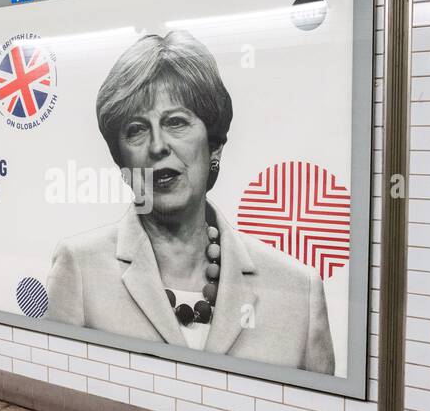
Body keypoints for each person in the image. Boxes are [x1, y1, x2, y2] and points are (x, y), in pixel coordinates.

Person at [46, 30, 336, 374]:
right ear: (121, 160)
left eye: (176, 122)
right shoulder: (78, 267)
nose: (158, 146)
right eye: (136, 129)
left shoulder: (298, 290)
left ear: (214, 146)